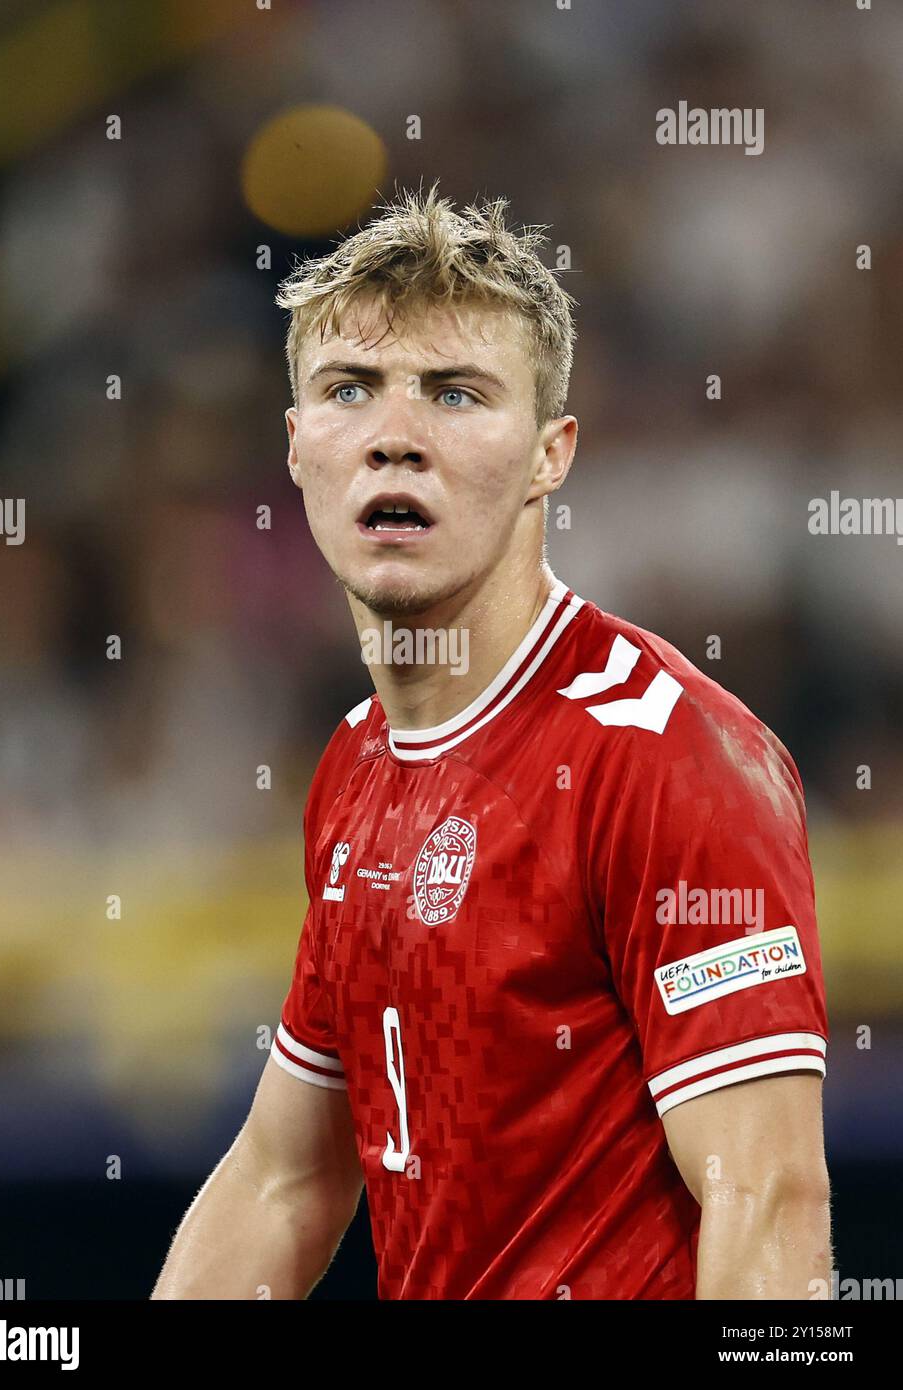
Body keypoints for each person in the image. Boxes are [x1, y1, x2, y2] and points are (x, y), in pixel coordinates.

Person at [153, 183, 830, 1300]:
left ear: (551, 452)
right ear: (294, 446)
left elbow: (771, 1198)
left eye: (455, 394)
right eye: (349, 392)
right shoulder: (359, 762)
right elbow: (284, 1178)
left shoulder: (669, 755)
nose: (394, 439)